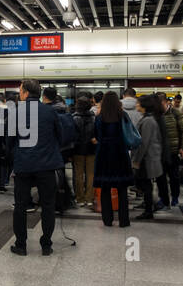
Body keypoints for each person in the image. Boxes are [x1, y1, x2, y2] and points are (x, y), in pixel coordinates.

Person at [10, 79, 63, 256]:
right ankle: (46, 245)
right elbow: (60, 136)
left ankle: (21, 245)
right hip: (47, 166)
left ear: (25, 93)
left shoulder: (15, 112)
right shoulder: (50, 112)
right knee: (48, 205)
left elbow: (9, 141)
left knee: (20, 206)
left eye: (20, 90)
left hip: (23, 166)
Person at [92, 90, 133, 228]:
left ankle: (107, 220)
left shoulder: (99, 117)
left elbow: (96, 136)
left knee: (105, 188)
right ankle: (124, 220)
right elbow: (128, 133)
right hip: (120, 153)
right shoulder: (123, 115)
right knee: (122, 189)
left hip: (104, 154)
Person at [131, 94, 164, 221]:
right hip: (147, 158)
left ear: (144, 105)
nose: (136, 105)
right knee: (145, 185)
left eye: (138, 103)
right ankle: (149, 207)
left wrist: (137, 160)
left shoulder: (148, 121)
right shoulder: (146, 119)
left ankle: (149, 210)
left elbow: (144, 143)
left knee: (145, 185)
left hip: (147, 159)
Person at [158, 92, 183, 209]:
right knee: (160, 177)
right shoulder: (156, 114)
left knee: (174, 176)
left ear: (165, 102)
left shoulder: (176, 113)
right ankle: (163, 198)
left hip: (173, 151)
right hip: (160, 152)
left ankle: (175, 197)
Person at [70, 94, 96, 208]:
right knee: (91, 174)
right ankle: (89, 198)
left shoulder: (73, 118)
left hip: (77, 149)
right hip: (91, 149)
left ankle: (79, 198)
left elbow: (72, 135)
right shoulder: (94, 117)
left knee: (78, 175)